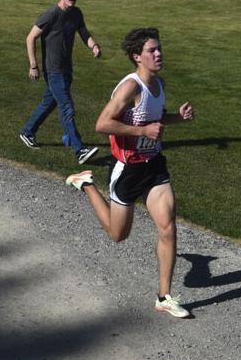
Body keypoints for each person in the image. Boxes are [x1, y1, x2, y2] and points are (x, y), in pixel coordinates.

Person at [65, 28, 195, 319]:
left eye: (159, 48)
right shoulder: (130, 88)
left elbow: (155, 121)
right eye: (152, 50)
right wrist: (141, 131)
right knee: (117, 234)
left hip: (154, 166)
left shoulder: (158, 84)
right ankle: (86, 184)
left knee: (168, 227)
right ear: (138, 57)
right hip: (128, 169)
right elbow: (102, 124)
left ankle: (164, 297)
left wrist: (178, 118)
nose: (159, 54)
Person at [19, 0, 101, 163]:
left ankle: (27, 131)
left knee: (49, 102)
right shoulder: (51, 15)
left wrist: (93, 45)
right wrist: (33, 65)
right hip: (53, 70)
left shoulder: (76, 13)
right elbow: (30, 38)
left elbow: (83, 32)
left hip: (66, 69)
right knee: (67, 107)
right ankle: (79, 149)